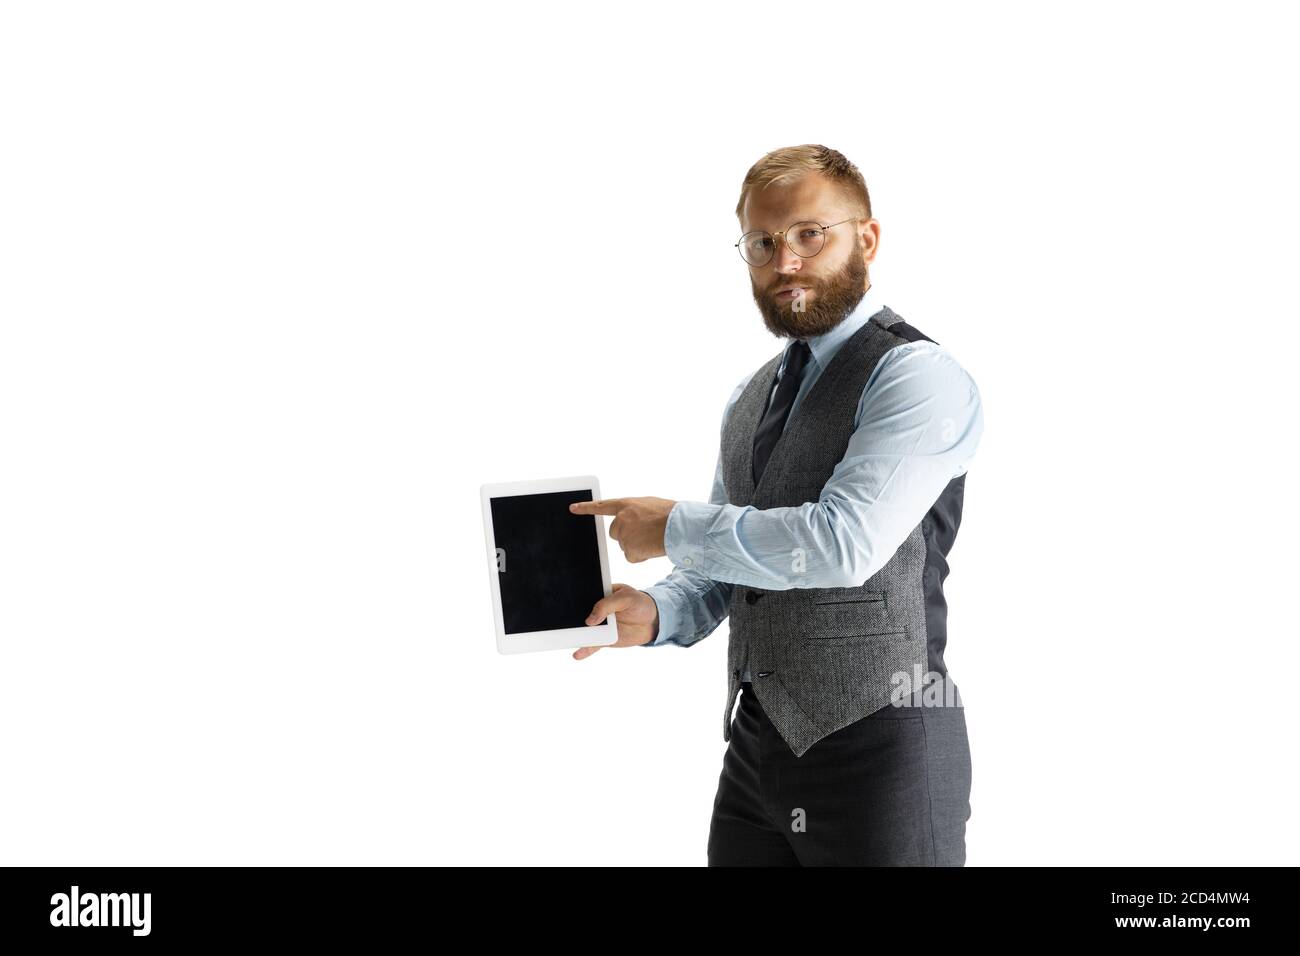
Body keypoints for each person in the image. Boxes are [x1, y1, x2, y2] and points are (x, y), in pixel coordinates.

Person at [568, 144, 984, 866]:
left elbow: (841, 544)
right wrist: (659, 612)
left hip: (885, 739)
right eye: (762, 242)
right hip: (758, 747)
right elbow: (733, 561)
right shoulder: (749, 396)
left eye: (808, 233)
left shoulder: (919, 377)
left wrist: (672, 526)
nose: (784, 260)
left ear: (868, 238)